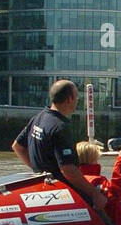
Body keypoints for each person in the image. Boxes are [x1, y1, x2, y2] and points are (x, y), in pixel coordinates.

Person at [11, 79, 106, 213]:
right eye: (77, 97)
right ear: (70, 99)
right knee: (104, 211)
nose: (77, 101)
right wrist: (94, 194)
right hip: (62, 194)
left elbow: (18, 147)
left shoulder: (39, 117)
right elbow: (67, 169)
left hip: (43, 188)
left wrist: (39, 171)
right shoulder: (59, 127)